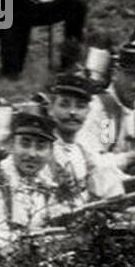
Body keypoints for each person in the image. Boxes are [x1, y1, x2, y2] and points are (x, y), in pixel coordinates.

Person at [0, 110, 76, 246]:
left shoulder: (49, 191)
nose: (32, 154)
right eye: (25, 144)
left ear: (50, 152)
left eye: (41, 146)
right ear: (12, 145)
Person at [77, 43, 135, 170]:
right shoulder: (107, 113)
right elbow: (96, 162)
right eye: (130, 76)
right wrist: (132, 158)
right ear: (115, 73)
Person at [45, 72, 123, 204]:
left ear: (87, 110)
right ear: (50, 109)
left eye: (80, 106)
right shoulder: (107, 112)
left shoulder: (116, 112)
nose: (72, 112)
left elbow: (105, 152)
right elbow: (107, 147)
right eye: (64, 105)